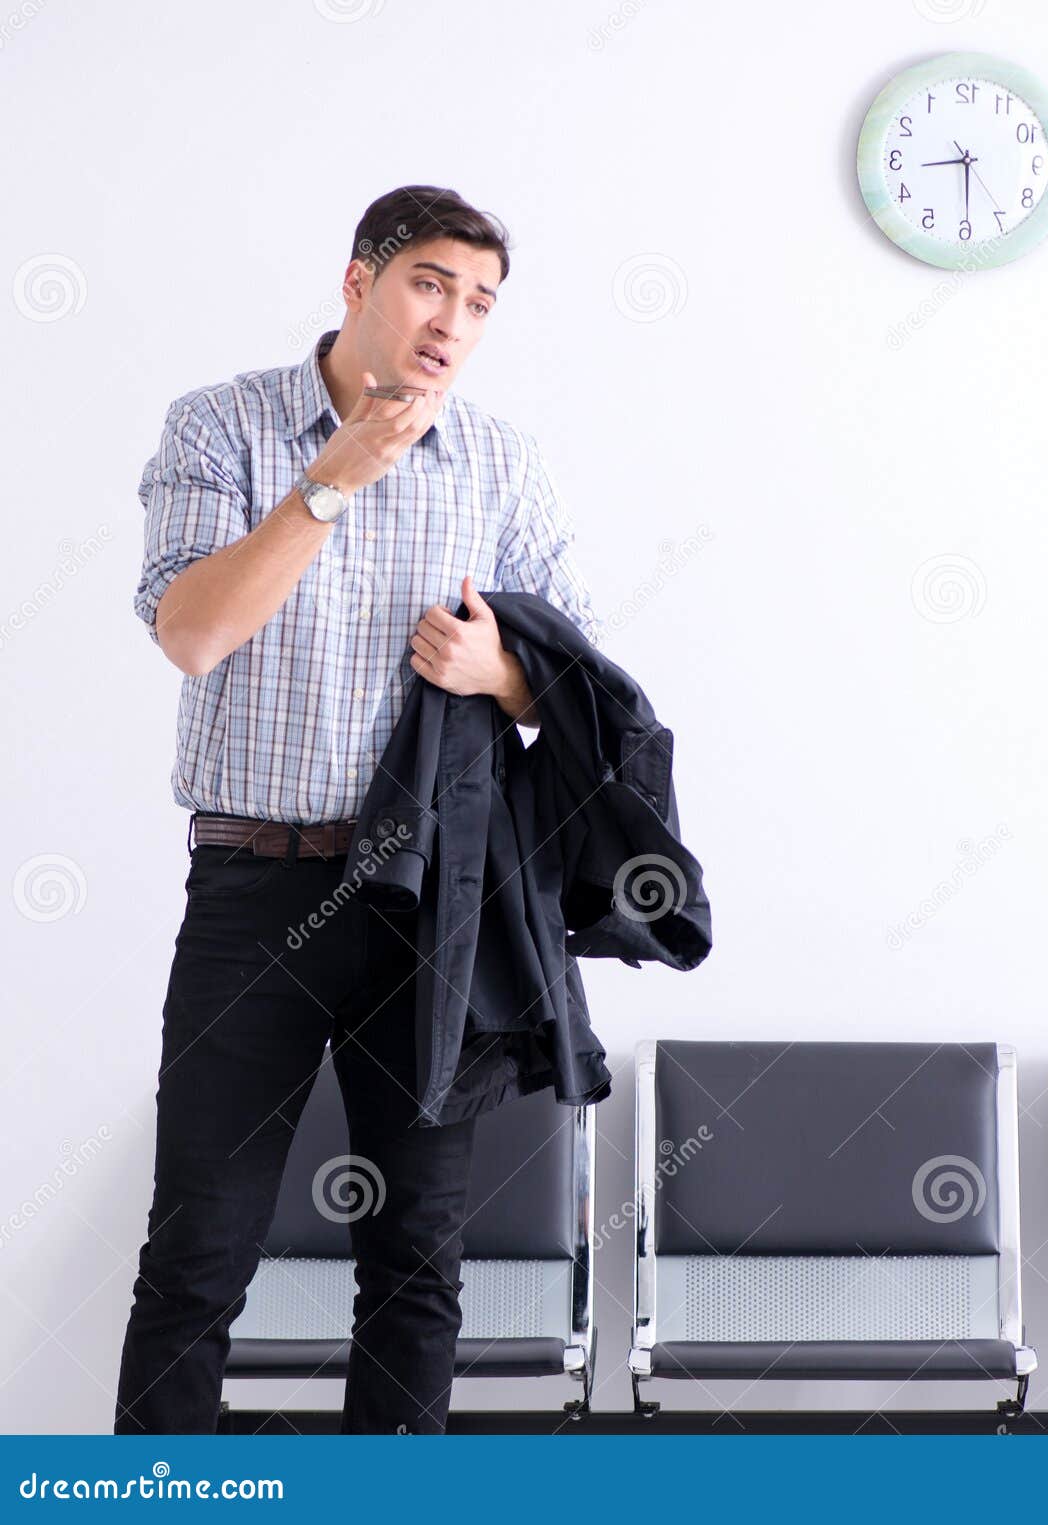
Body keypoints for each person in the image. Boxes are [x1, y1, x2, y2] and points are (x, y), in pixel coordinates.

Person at [114, 184, 601, 1435]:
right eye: (431, 283)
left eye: (480, 303)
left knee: (416, 1261)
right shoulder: (223, 426)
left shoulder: (501, 462)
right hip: (255, 894)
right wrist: (333, 479)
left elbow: (577, 684)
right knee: (198, 1260)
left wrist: (496, 672)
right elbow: (193, 630)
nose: (453, 321)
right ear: (358, 281)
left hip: (431, 910)